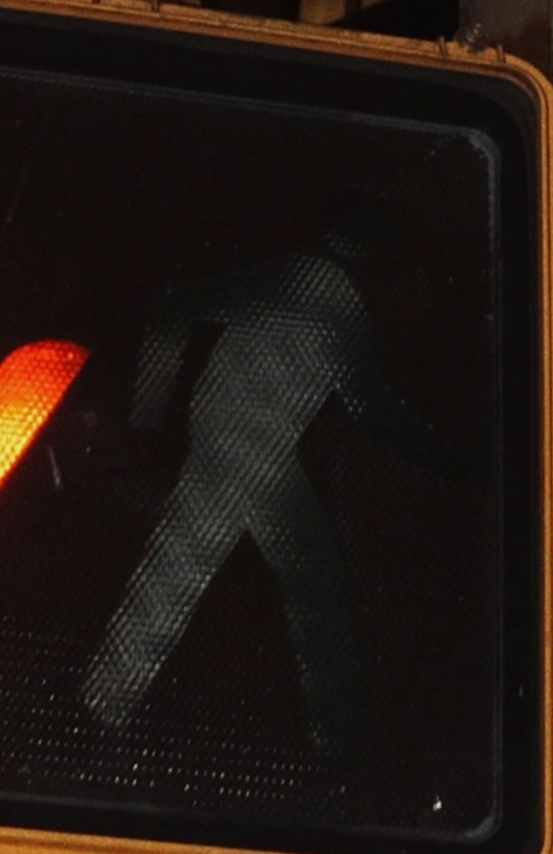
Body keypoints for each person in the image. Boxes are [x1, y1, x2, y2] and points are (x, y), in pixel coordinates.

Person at [82, 202, 443, 748]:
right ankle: (100, 713)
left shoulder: (311, 283)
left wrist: (151, 414)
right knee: (209, 570)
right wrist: (147, 414)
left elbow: (177, 306)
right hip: (245, 446)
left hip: (251, 446)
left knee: (286, 575)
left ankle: (338, 738)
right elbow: (372, 407)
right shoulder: (325, 290)